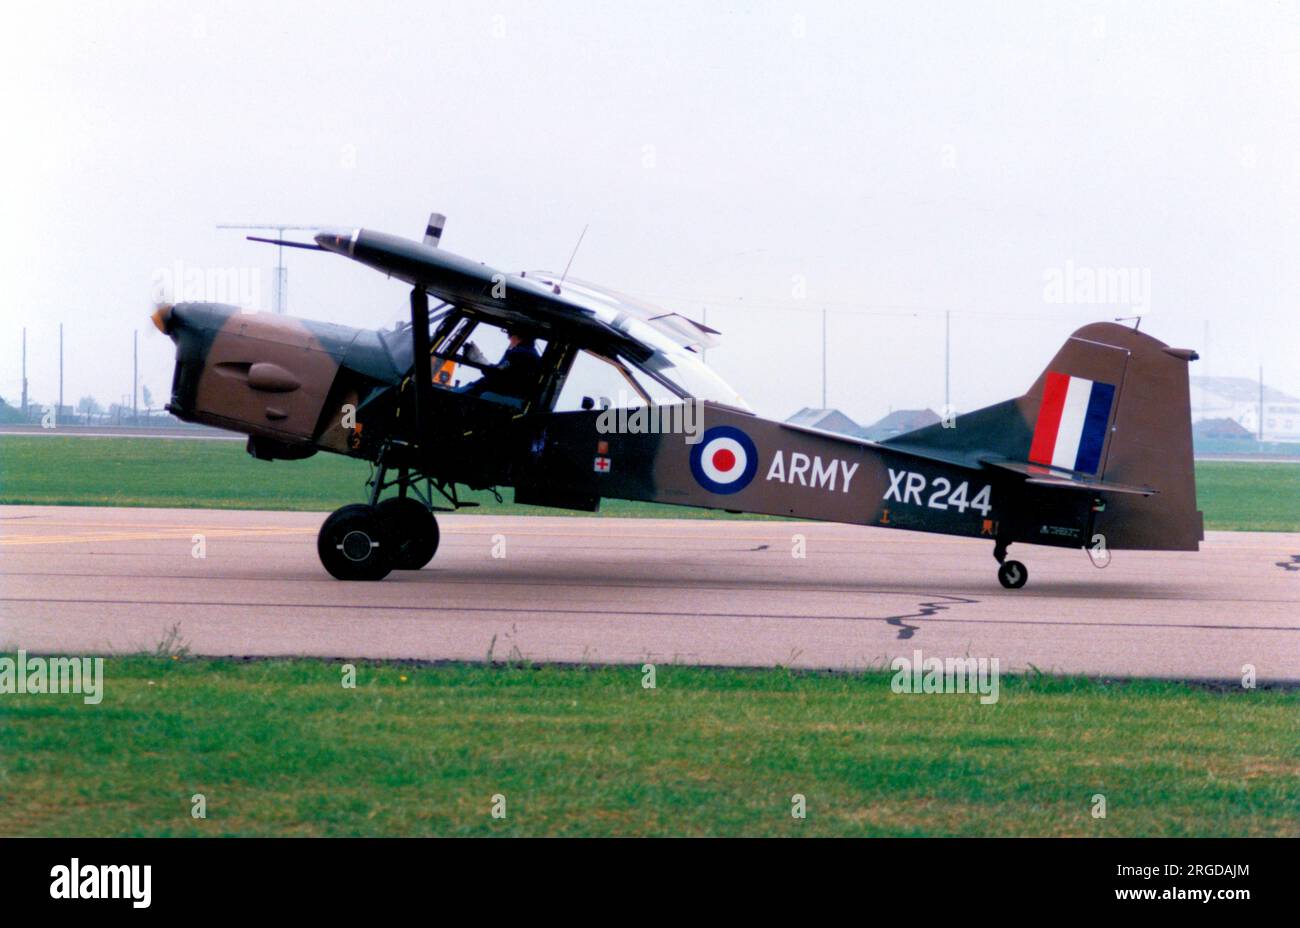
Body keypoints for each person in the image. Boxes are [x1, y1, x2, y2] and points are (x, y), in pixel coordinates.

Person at [461, 329, 541, 402]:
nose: (509, 339)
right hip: (511, 393)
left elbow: (497, 374)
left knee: (463, 393)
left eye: (509, 336)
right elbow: (500, 370)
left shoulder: (518, 354)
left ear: (516, 337)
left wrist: (478, 360)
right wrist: (481, 360)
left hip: (505, 393)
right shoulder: (531, 353)